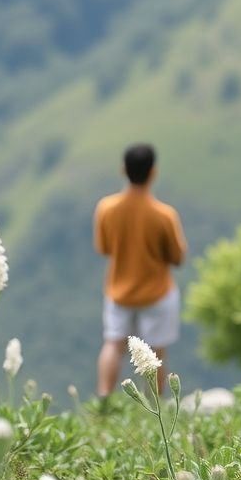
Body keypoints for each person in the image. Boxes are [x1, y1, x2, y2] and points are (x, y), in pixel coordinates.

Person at [94, 143, 187, 397]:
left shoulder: (106, 208)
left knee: (113, 344)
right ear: (153, 172)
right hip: (157, 293)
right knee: (156, 352)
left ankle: (104, 399)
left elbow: (103, 248)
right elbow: (177, 257)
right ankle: (152, 408)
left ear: (123, 170)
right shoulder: (164, 215)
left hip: (119, 292)